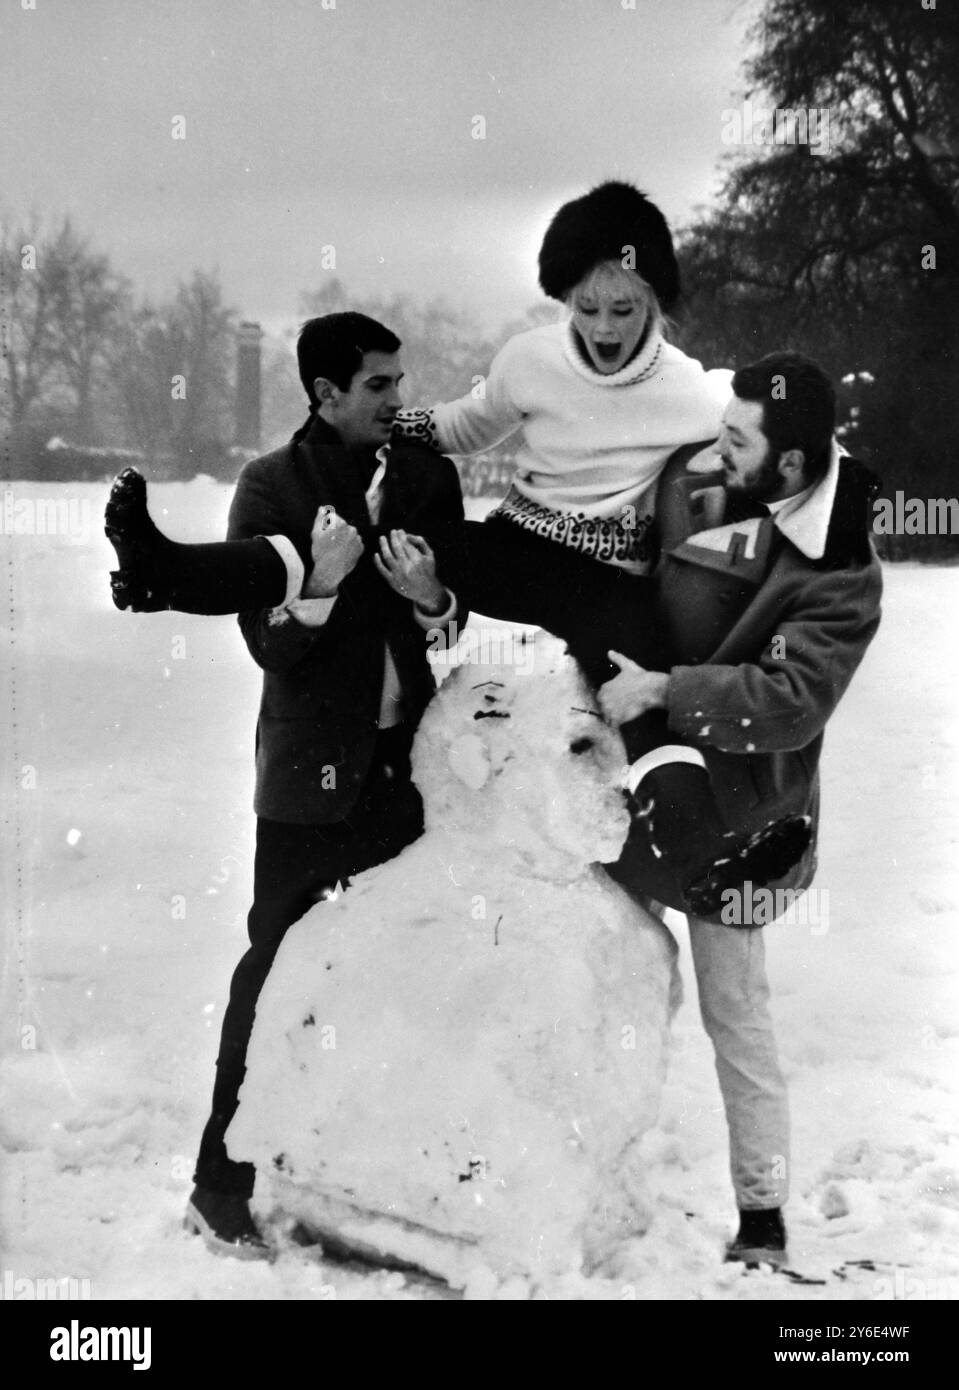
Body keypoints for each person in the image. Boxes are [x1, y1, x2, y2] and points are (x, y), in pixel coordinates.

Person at [105, 182, 812, 914]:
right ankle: (166, 571)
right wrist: (390, 422)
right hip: (518, 544)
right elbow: (465, 426)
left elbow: (784, 438)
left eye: (623, 310)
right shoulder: (528, 360)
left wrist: (839, 486)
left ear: (656, 305)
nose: (602, 328)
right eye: (586, 307)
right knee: (378, 542)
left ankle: (706, 863)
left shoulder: (693, 391)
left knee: (639, 687)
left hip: (605, 578)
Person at [179, 312, 467, 1257]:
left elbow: (449, 619)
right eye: (379, 385)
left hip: (406, 778)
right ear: (324, 394)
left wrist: (433, 600)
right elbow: (269, 646)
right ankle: (218, 1184)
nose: (398, 400)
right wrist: (321, 584)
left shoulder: (428, 478)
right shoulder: (269, 487)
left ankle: (364, 1184)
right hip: (309, 782)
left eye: (398, 380)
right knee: (270, 977)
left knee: (401, 979)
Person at [598, 351, 883, 1268]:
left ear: (790, 467)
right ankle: (582, 1179)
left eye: (738, 439)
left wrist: (666, 690)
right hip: (638, 774)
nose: (714, 449)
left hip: (743, 817)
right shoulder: (702, 474)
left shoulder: (839, 569)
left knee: (736, 1012)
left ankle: (761, 1216)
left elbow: (793, 698)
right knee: (605, 977)